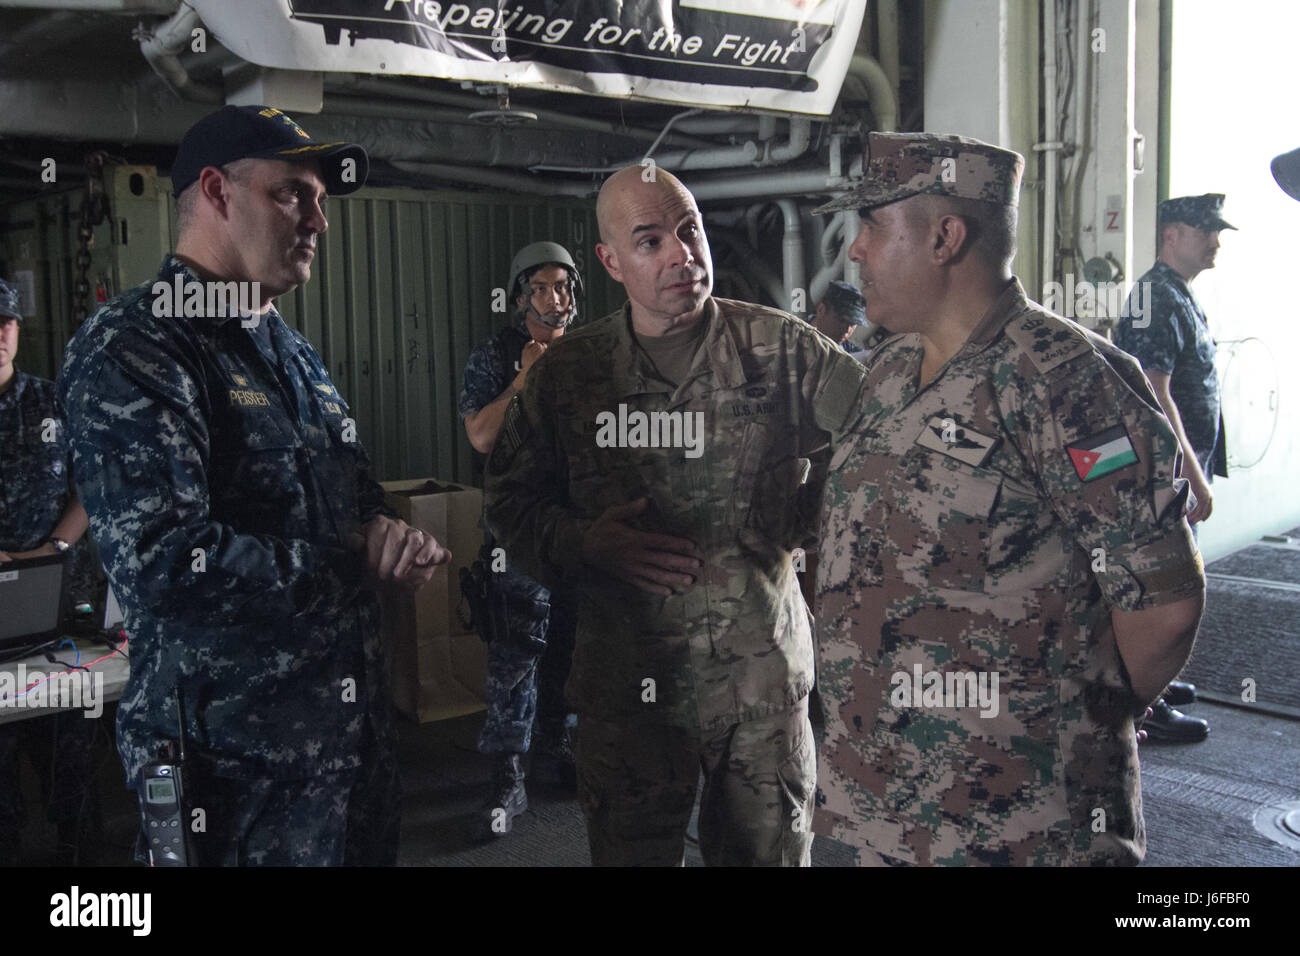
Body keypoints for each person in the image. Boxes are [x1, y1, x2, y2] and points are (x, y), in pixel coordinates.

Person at [57, 105, 449, 866]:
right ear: (216, 190)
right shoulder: (137, 344)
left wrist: (393, 539)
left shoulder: (290, 352)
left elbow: (353, 500)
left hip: (349, 754)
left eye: (322, 203)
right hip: (234, 771)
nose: (317, 222)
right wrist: (351, 561)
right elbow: (164, 561)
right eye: (291, 194)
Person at [811, 132, 1206, 865]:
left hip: (1022, 825)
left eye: (871, 225)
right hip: (878, 809)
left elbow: (1164, 607)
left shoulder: (1067, 380)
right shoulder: (889, 369)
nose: (856, 250)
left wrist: (1068, 721)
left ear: (944, 237)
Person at [483, 164, 868, 866]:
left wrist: (818, 516)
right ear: (611, 262)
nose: (681, 255)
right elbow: (507, 503)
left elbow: (883, 445)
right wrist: (583, 542)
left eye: (688, 231)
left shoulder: (782, 352)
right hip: (628, 693)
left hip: (760, 690)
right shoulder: (570, 376)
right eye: (650, 240)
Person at [459, 241, 580, 839]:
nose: (555, 299)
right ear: (519, 296)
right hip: (518, 534)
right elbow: (480, 436)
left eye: (563, 287)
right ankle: (507, 776)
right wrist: (526, 379)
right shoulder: (496, 357)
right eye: (542, 287)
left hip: (579, 529)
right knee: (515, 654)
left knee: (574, 646)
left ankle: (559, 750)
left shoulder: (589, 356)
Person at [1114, 193, 1235, 743]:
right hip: (1161, 470)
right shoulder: (1156, 297)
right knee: (1158, 587)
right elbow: (1153, 392)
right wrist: (1188, 469)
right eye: (1204, 230)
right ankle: (1143, 705)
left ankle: (1154, 685)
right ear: (1171, 235)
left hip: (1178, 466)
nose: (1215, 241)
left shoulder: (1176, 294)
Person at [0, 276, 98, 864]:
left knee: (70, 760)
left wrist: (52, 551)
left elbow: (89, 486)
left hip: (59, 602)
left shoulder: (51, 401)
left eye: (6, 323)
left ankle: (81, 877)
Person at [808, 280, 870, 360]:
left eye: (852, 324)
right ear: (821, 310)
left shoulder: (850, 351)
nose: (847, 330)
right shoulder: (793, 339)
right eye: (841, 320)